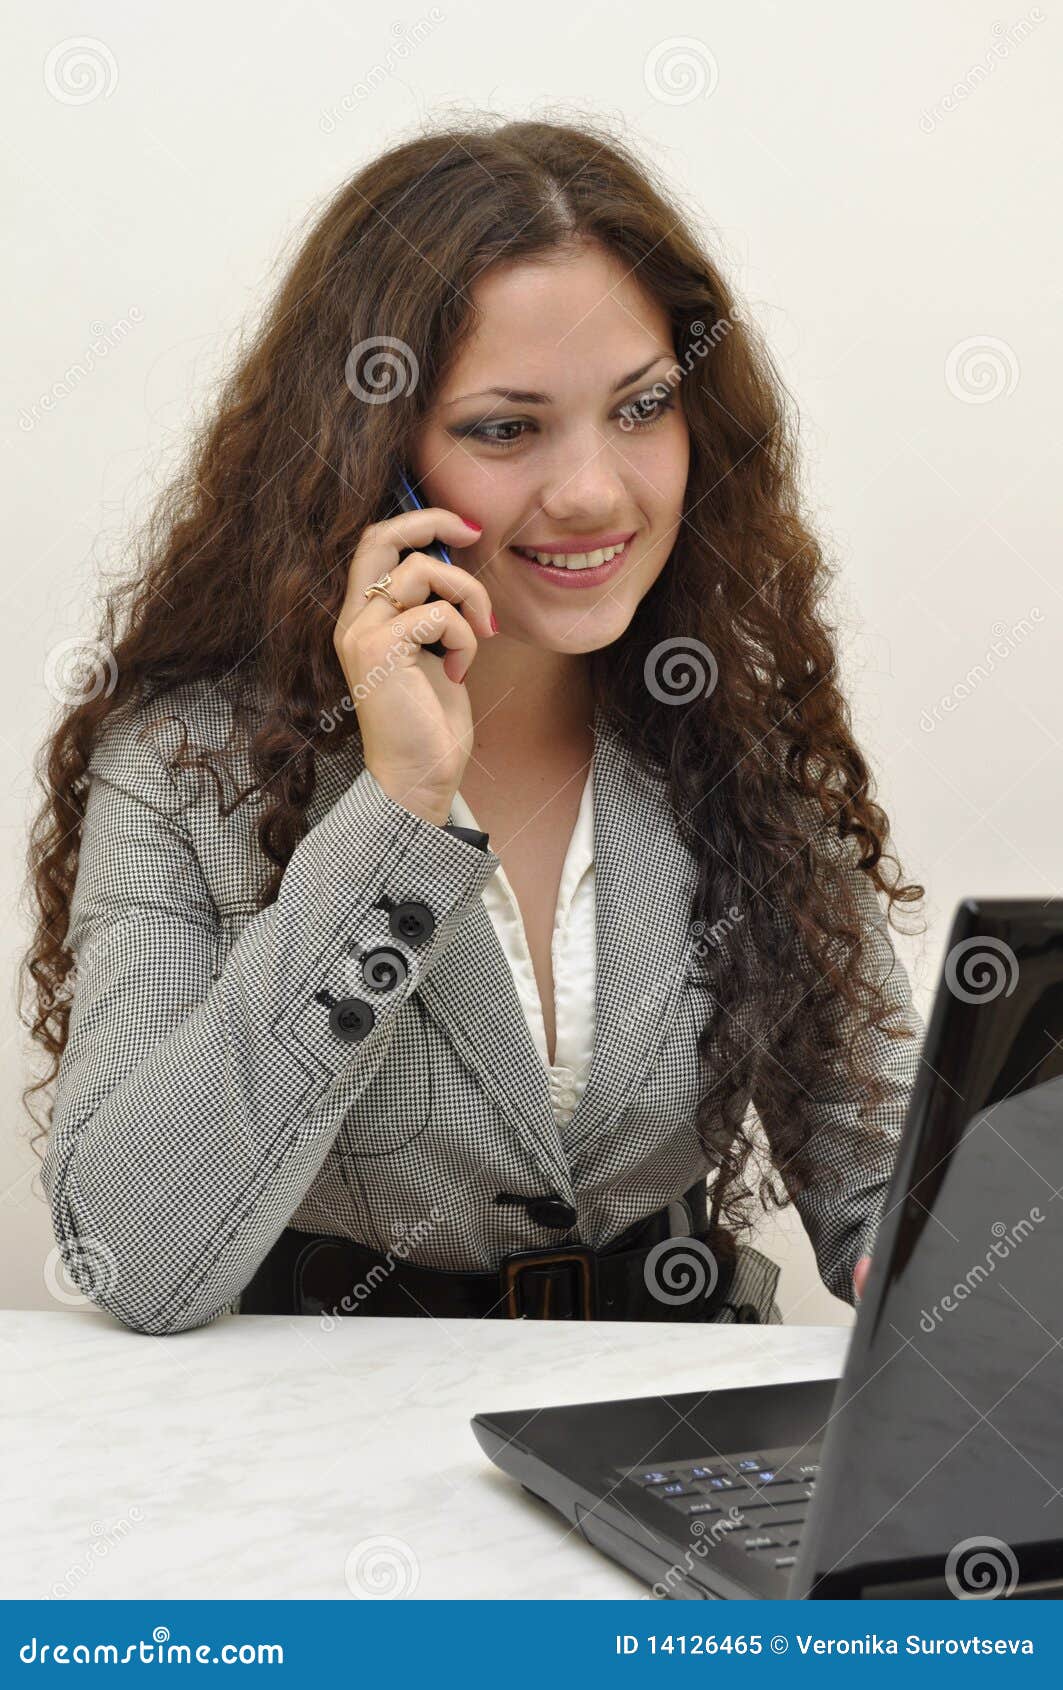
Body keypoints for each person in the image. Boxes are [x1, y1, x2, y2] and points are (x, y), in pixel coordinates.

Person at [22, 113, 924, 1334]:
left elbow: (890, 1196)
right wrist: (395, 812)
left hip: (655, 1437)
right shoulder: (185, 770)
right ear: (368, 459)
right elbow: (127, 1254)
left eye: (641, 405)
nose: (595, 490)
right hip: (317, 1460)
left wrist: (957, 1271)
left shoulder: (731, 743)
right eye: (505, 428)